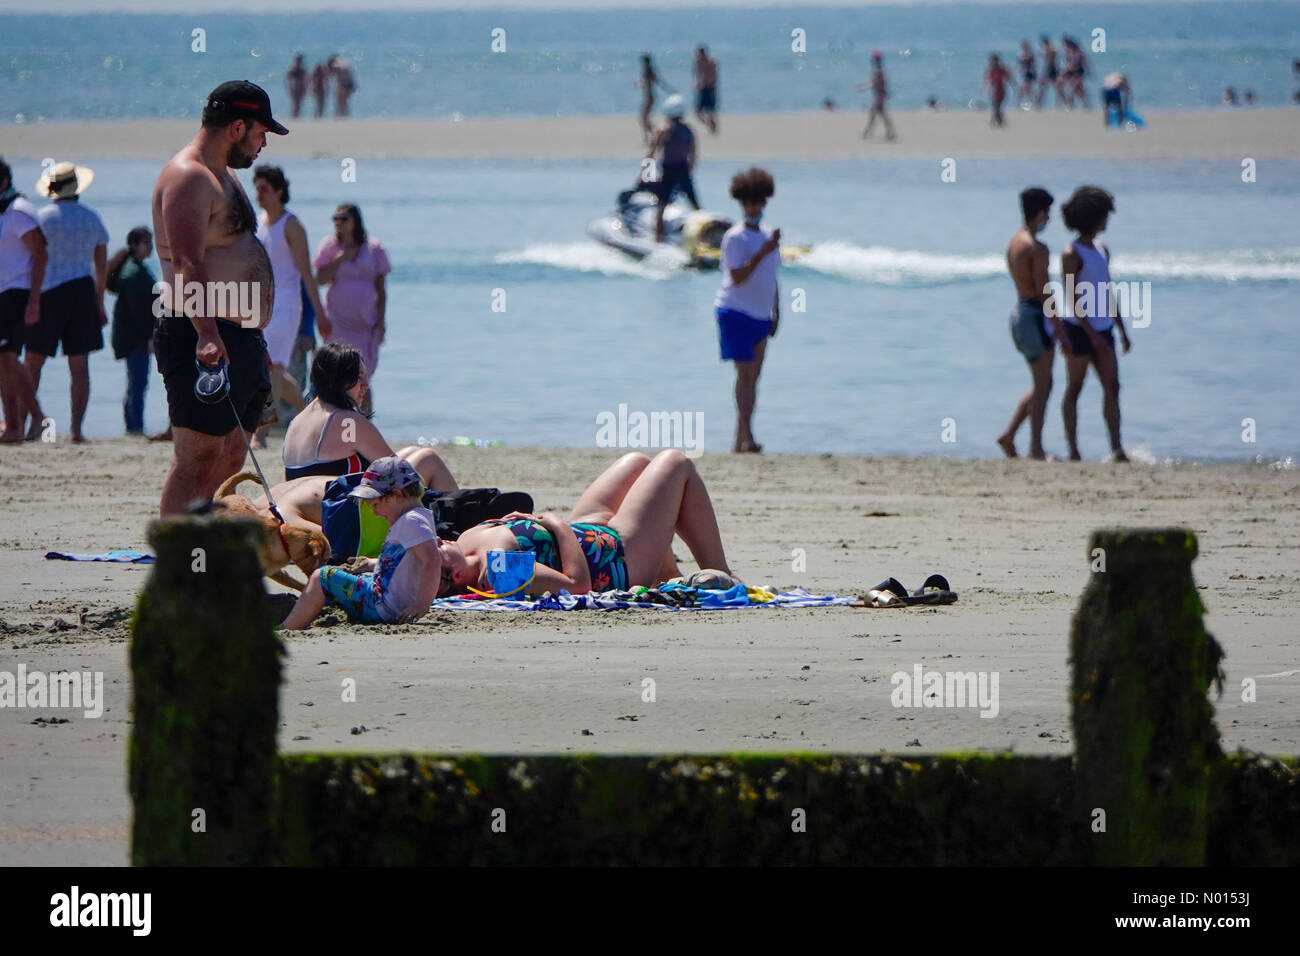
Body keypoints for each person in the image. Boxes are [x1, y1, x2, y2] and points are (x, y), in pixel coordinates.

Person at [151, 80, 286, 517]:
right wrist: (207, 334)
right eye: (261, 132)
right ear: (237, 127)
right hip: (201, 334)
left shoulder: (224, 174)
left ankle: (203, 564)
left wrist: (253, 337)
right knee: (197, 461)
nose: (264, 143)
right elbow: (189, 262)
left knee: (230, 459)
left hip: (240, 336)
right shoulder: (189, 176)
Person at [435, 449, 733, 599]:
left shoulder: (463, 542)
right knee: (675, 462)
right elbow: (577, 587)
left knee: (637, 462)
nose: (437, 540)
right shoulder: (500, 570)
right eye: (435, 548)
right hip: (616, 556)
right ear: (457, 575)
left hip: (586, 529)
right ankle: (725, 575)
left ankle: (667, 576)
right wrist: (555, 523)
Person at [281, 457, 441, 628]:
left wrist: (422, 604)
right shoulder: (419, 516)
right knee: (357, 576)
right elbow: (407, 562)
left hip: (381, 607)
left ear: (397, 495)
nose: (375, 512)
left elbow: (432, 560)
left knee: (322, 576)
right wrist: (373, 564)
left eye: (376, 504)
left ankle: (290, 626)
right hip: (390, 602)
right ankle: (316, 605)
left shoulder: (411, 521)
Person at [282, 341, 455, 491]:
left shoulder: (297, 420)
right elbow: (399, 473)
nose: (366, 386)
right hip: (341, 510)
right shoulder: (347, 422)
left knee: (413, 452)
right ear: (338, 379)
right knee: (428, 458)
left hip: (309, 501)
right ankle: (459, 523)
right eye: (358, 378)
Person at [24, 161, 109, 444]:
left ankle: (30, 425)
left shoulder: (42, 218)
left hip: (48, 292)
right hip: (82, 291)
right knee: (79, 366)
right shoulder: (91, 217)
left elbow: (31, 260)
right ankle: (76, 429)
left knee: (33, 362)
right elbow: (101, 266)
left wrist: (30, 298)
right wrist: (99, 303)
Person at [252, 164, 329, 447]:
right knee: (268, 365)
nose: (258, 194)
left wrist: (319, 314)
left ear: (279, 191)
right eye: (256, 188)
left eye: (264, 189)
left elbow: (306, 273)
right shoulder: (258, 222)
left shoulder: (292, 225)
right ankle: (308, 410)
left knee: (273, 367)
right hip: (261, 302)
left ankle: (261, 432)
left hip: (287, 304)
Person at [1059, 186, 1131, 462]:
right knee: (1075, 387)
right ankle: (1073, 450)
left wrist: (1121, 329)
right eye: (1104, 215)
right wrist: (1090, 333)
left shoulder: (1102, 250)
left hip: (1104, 328)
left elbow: (1107, 291)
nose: (1107, 220)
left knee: (1112, 387)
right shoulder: (1071, 253)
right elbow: (1071, 295)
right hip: (1078, 329)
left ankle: (1116, 448)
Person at [998, 188, 1069, 461]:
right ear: (1041, 213)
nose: (1048, 218)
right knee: (1044, 384)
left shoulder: (1014, 242)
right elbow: (1044, 290)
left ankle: (1009, 435)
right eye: (1047, 212)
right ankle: (1035, 448)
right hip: (1034, 314)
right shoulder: (1036, 248)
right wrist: (1060, 328)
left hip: (1019, 312)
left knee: (1042, 383)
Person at [715, 167, 780, 454]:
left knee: (755, 378)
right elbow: (737, 277)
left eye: (757, 202)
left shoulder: (769, 237)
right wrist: (763, 251)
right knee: (744, 376)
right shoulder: (735, 238)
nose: (753, 207)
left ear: (764, 203)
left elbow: (772, 277)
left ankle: (742, 437)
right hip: (735, 312)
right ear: (741, 204)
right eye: (748, 202)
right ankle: (744, 438)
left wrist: (777, 313)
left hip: (761, 316)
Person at [313, 204, 388, 415]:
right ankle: (337, 422)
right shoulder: (330, 246)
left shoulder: (373, 249)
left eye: (344, 218)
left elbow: (381, 288)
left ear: (355, 221)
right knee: (337, 375)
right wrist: (340, 259)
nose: (339, 223)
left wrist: (381, 322)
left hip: (365, 325)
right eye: (335, 219)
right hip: (338, 324)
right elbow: (319, 279)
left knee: (363, 378)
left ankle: (365, 424)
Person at [0, 157, 47, 443]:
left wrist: (34, 300)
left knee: (8, 356)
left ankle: (38, 417)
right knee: (2, 362)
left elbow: (41, 255)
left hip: (18, 292)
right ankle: (14, 426)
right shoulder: (3, 211)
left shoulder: (19, 210)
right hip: (3, 292)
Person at [107, 226, 160, 435]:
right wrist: (150, 337)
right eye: (146, 242)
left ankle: (133, 425)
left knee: (135, 382)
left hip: (131, 336)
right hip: (136, 338)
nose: (151, 247)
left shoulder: (134, 268)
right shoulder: (134, 273)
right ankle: (135, 426)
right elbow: (142, 313)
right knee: (138, 382)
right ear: (134, 245)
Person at [643, 95, 699, 242]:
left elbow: (651, 152)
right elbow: (693, 154)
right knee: (695, 206)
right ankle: (702, 236)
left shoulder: (663, 130)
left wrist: (646, 173)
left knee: (661, 207)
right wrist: (689, 171)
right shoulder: (688, 130)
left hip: (668, 172)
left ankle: (657, 239)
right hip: (683, 171)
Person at [857, 51, 896, 141]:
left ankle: (867, 133)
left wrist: (863, 87)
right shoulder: (880, 71)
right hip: (880, 96)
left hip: (879, 97)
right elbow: (880, 83)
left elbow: (875, 83)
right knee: (881, 115)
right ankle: (889, 132)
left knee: (874, 114)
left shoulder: (878, 71)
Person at [638, 54, 673, 144]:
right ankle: (651, 136)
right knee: (644, 118)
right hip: (649, 97)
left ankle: (652, 136)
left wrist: (640, 83)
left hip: (649, 97)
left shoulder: (647, 71)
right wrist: (670, 90)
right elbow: (659, 82)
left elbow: (650, 83)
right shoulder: (650, 71)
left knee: (644, 118)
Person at [693, 46, 719, 134]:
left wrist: (712, 87)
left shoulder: (711, 62)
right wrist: (696, 84)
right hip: (703, 88)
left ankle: (713, 129)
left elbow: (714, 76)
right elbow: (697, 75)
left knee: (710, 111)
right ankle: (710, 126)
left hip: (710, 88)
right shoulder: (698, 62)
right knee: (698, 112)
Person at [984, 54, 1012, 127]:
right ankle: (997, 122)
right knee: (995, 107)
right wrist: (985, 88)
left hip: (1000, 91)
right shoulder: (991, 69)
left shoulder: (1001, 69)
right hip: (993, 91)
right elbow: (987, 80)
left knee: (997, 107)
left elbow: (1008, 78)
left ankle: (996, 121)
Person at [1061, 37, 1089, 109]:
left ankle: (1071, 106)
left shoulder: (1079, 52)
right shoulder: (1069, 52)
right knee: (1078, 89)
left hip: (1079, 72)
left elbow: (1084, 63)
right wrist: (1065, 69)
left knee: (1074, 89)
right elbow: (1068, 63)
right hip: (1071, 72)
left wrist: (1089, 71)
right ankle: (1085, 104)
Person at [1036, 35, 1061, 108]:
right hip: (1049, 68)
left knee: (1053, 87)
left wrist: (1045, 53)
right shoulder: (1048, 48)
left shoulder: (1050, 47)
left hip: (1051, 68)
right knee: (1044, 87)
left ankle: (1039, 103)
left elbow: (1052, 55)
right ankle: (1039, 103)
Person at [285, 54, 307, 119]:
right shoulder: (292, 69)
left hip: (301, 88)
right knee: (295, 103)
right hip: (294, 88)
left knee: (299, 103)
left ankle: (297, 116)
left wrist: (305, 89)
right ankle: (294, 116)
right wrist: (289, 89)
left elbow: (305, 80)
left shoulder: (302, 70)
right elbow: (288, 80)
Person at [1017, 40, 1036, 108]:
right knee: (1026, 90)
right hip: (1024, 73)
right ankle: (1026, 103)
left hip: (1029, 73)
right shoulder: (1021, 53)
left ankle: (1029, 103)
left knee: (1026, 89)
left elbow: (1033, 64)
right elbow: (1019, 64)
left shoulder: (1029, 54)